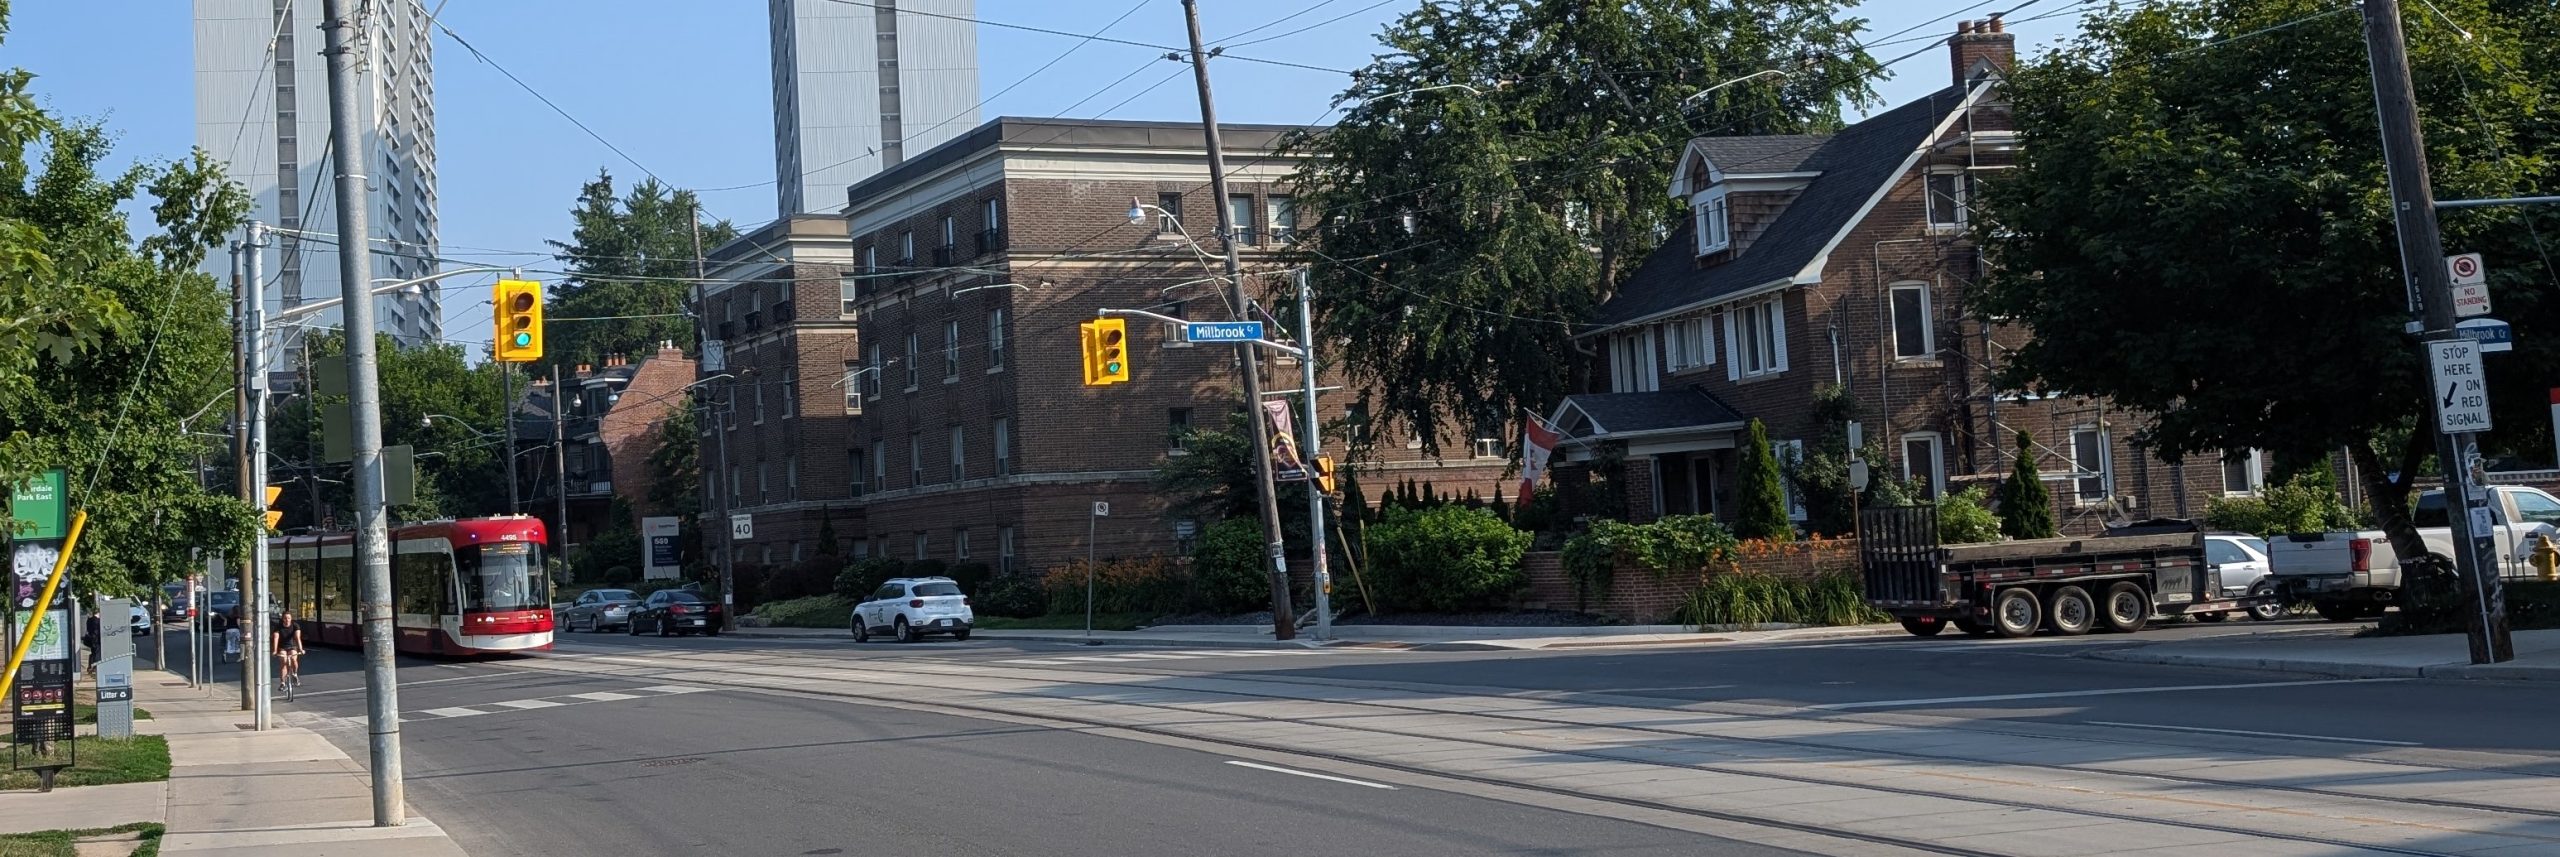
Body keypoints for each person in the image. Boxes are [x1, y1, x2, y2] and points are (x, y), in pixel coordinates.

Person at [272, 612, 305, 687]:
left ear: (291, 619)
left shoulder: (295, 626)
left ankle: (295, 674)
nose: (287, 620)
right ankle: (282, 683)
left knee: (293, 658)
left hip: (292, 646)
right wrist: (274, 650)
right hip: (282, 647)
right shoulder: (278, 627)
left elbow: (297, 638)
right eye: (285, 618)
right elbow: (276, 638)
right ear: (283, 619)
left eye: (289, 618)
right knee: (283, 662)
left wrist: (301, 649)